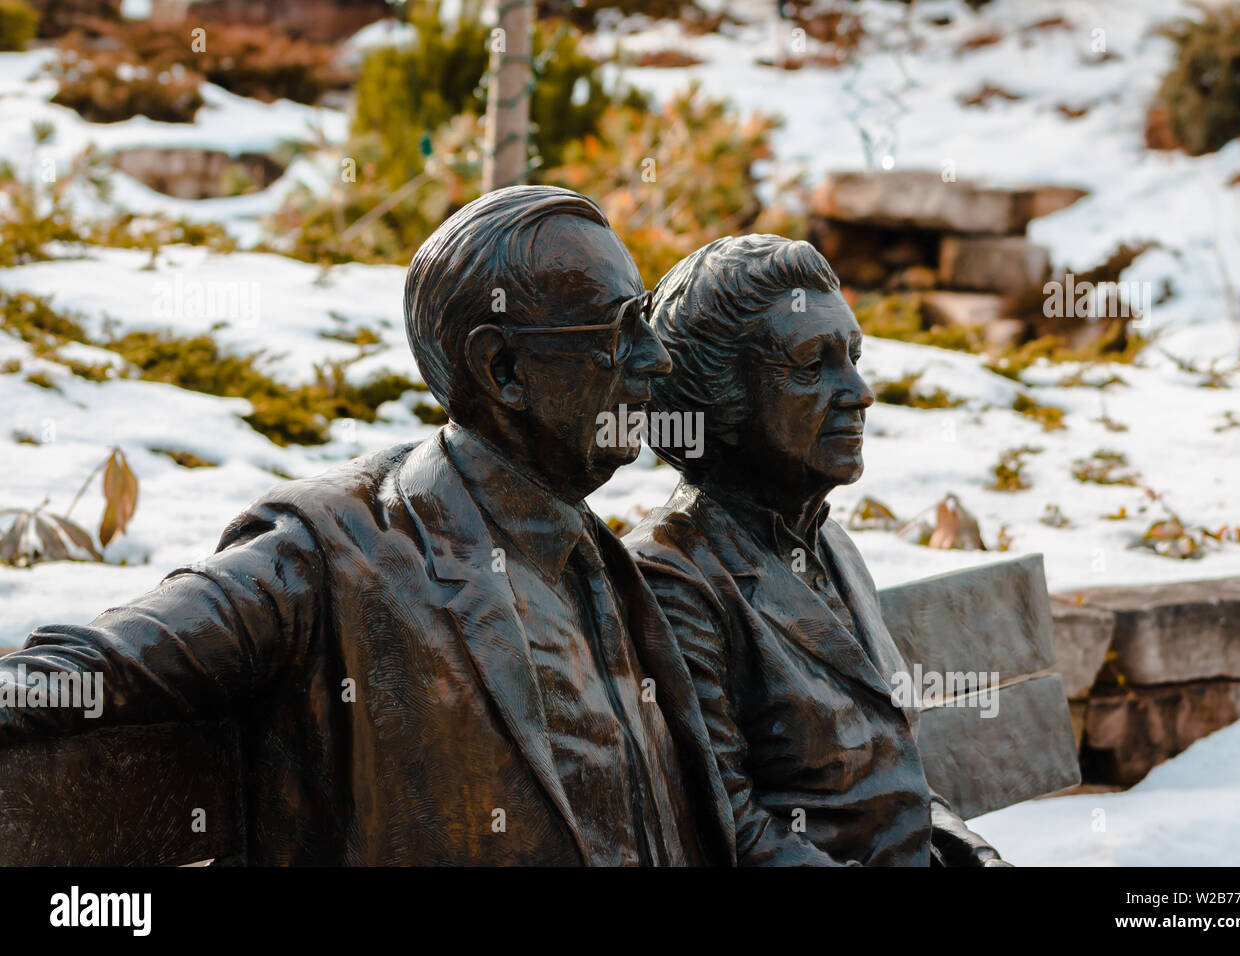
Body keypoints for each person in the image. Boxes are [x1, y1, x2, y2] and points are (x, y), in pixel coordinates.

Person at [0, 186, 733, 866]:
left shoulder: (602, 561)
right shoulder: (331, 552)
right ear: (503, 368)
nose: (656, 358)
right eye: (620, 330)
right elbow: (97, 666)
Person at [623, 234, 1008, 866]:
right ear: (717, 399)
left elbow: (896, 776)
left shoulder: (831, 544)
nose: (859, 391)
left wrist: (975, 856)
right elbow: (730, 832)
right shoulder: (674, 579)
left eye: (854, 357)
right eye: (812, 365)